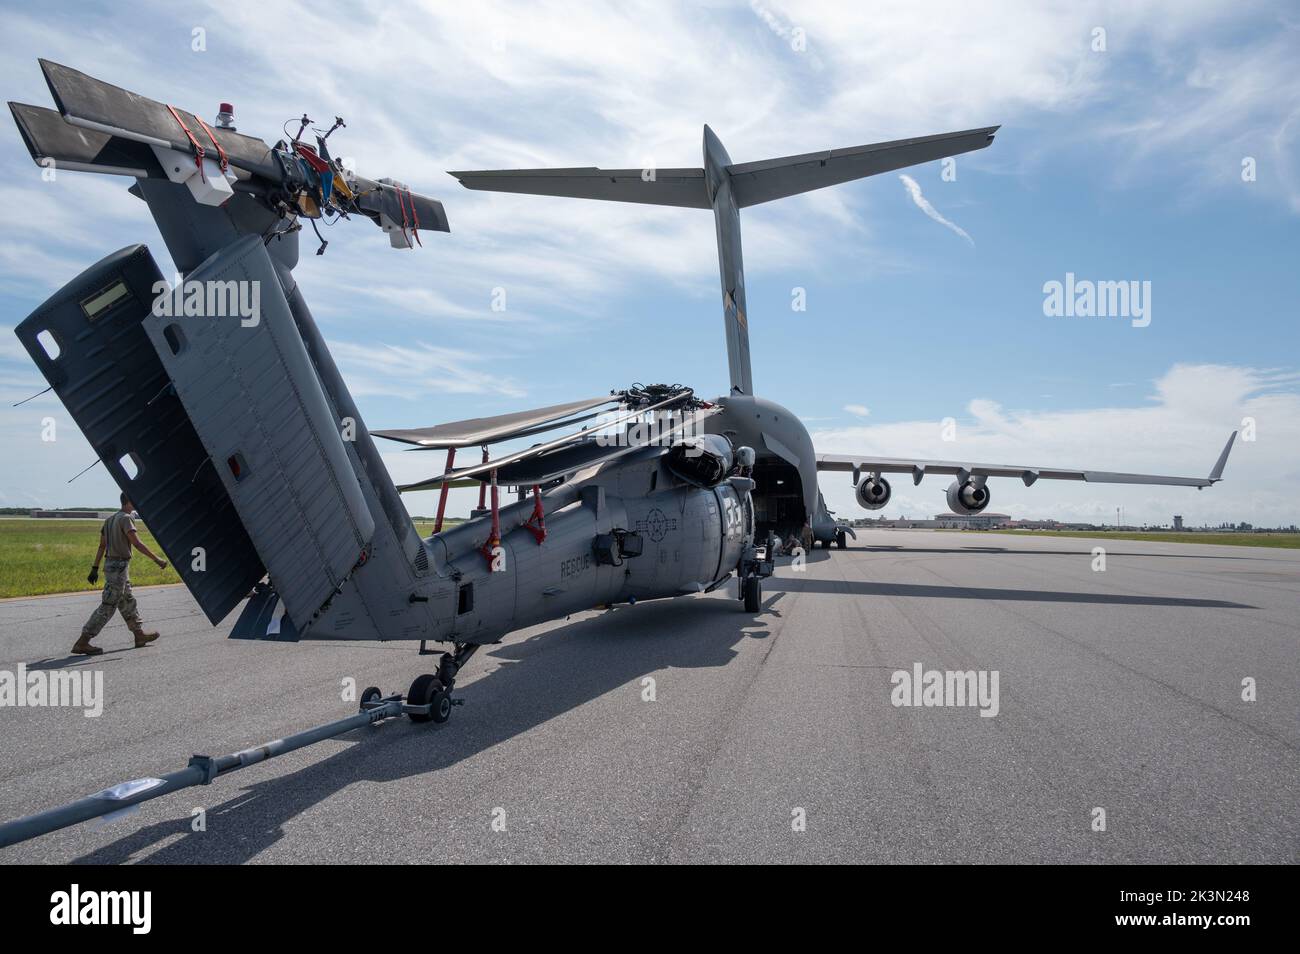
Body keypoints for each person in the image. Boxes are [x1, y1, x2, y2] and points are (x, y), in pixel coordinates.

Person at [72, 492, 168, 656]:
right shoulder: (126, 518)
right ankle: (83, 641)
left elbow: (102, 546)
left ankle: (139, 635)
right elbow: (136, 543)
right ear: (129, 501)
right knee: (108, 605)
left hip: (113, 565)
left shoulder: (109, 520)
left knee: (127, 600)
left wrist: (95, 568)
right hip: (119, 567)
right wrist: (157, 559)